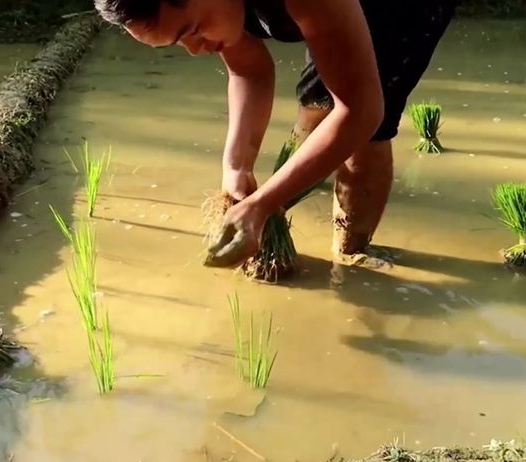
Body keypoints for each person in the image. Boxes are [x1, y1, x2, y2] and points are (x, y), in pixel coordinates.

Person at [94, 0, 457, 269]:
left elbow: (360, 112)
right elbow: (249, 71)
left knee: (370, 126)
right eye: (178, 42)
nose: (194, 50)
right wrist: (236, 166)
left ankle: (351, 253)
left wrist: (262, 204)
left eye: (189, 32)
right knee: (317, 104)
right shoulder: (216, 10)